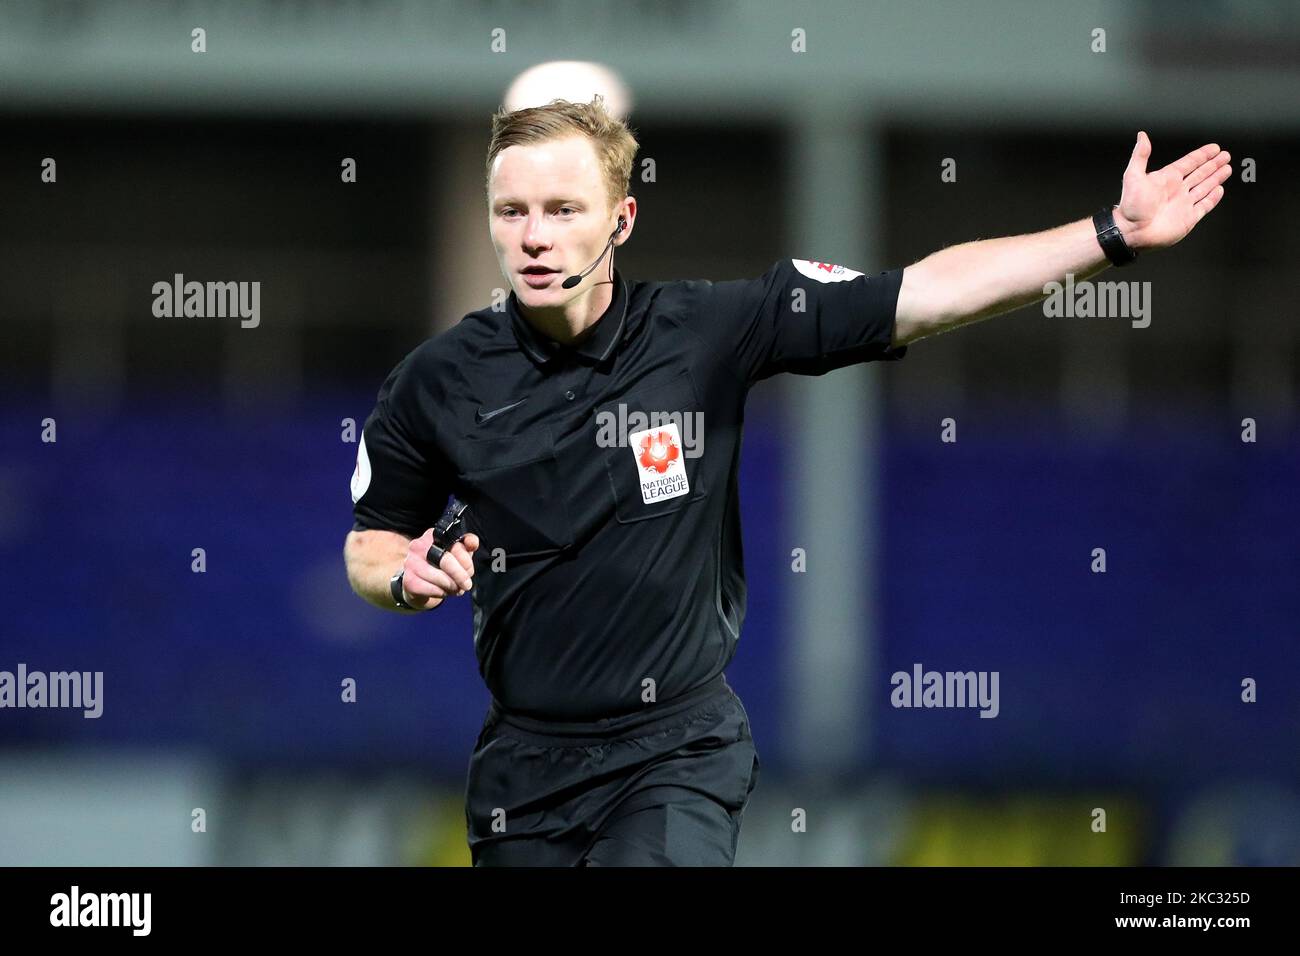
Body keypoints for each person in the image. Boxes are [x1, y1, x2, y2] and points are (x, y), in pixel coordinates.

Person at [343, 96, 1230, 866]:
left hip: (673, 753)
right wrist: (400, 575)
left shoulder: (709, 331)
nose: (533, 236)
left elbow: (923, 294)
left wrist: (1111, 234)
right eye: (512, 212)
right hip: (522, 765)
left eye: (563, 209)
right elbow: (372, 542)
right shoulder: (436, 379)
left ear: (622, 219)